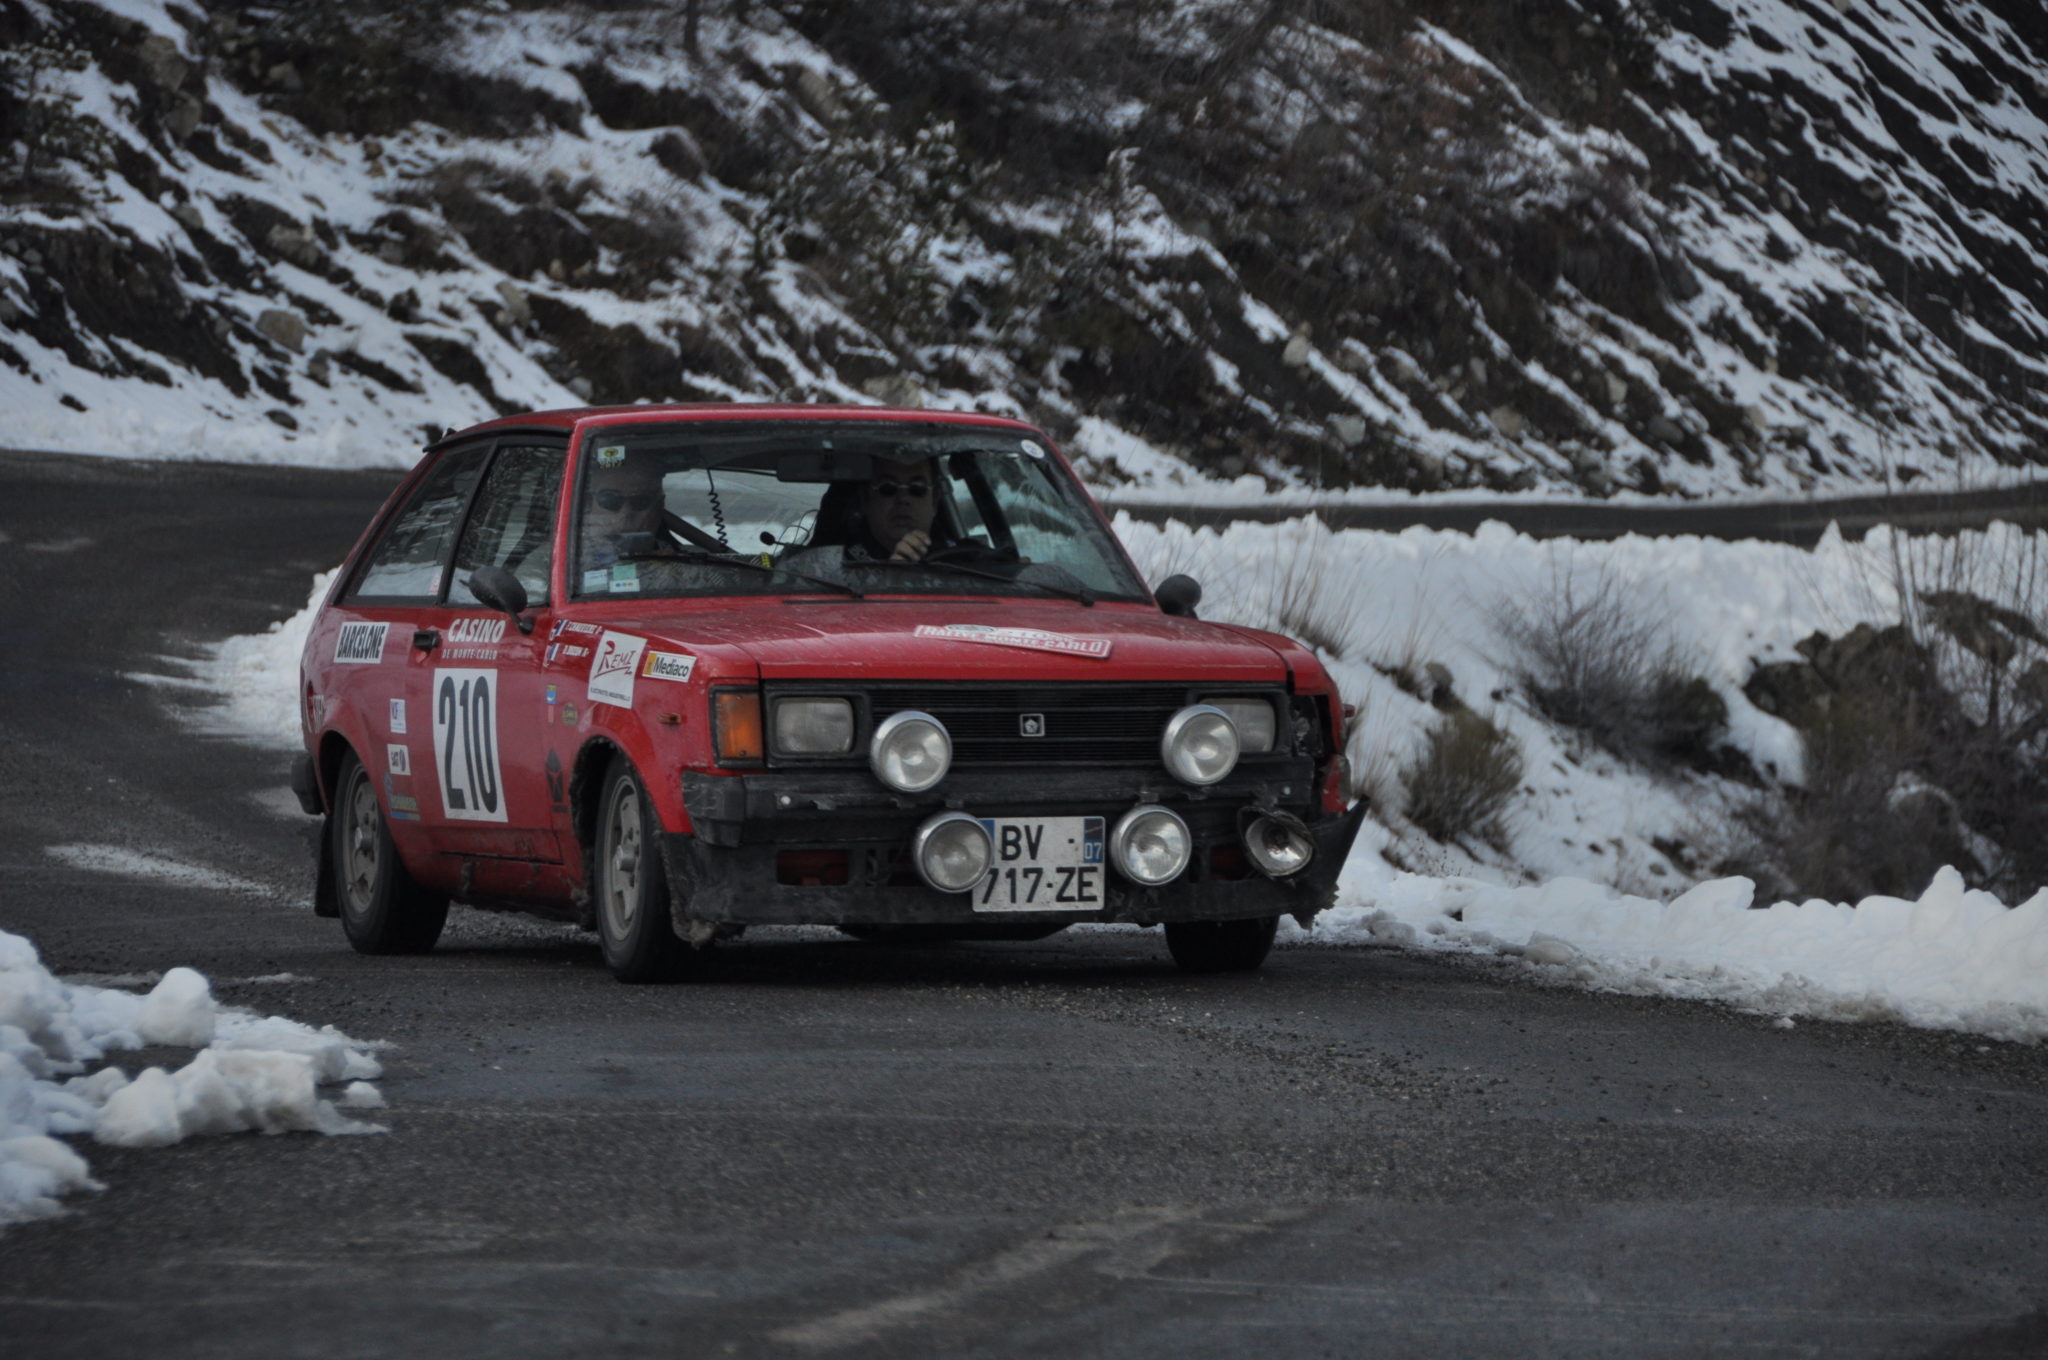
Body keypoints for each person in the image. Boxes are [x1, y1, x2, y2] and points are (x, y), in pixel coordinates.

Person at [853, 456, 938, 562]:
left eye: (917, 488)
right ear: (865, 499)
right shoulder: (842, 564)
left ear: (934, 501)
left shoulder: (954, 558)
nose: (903, 498)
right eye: (888, 487)